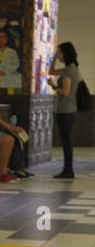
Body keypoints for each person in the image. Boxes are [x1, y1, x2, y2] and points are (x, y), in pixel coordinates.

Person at [46, 42, 81, 180]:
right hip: (70, 109)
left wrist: (53, 87)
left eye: (59, 52)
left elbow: (65, 92)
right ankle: (68, 169)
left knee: (66, 141)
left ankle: (68, 170)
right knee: (67, 140)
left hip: (65, 110)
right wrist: (54, 57)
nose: (58, 55)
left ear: (66, 54)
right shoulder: (73, 68)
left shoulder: (68, 71)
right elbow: (51, 71)